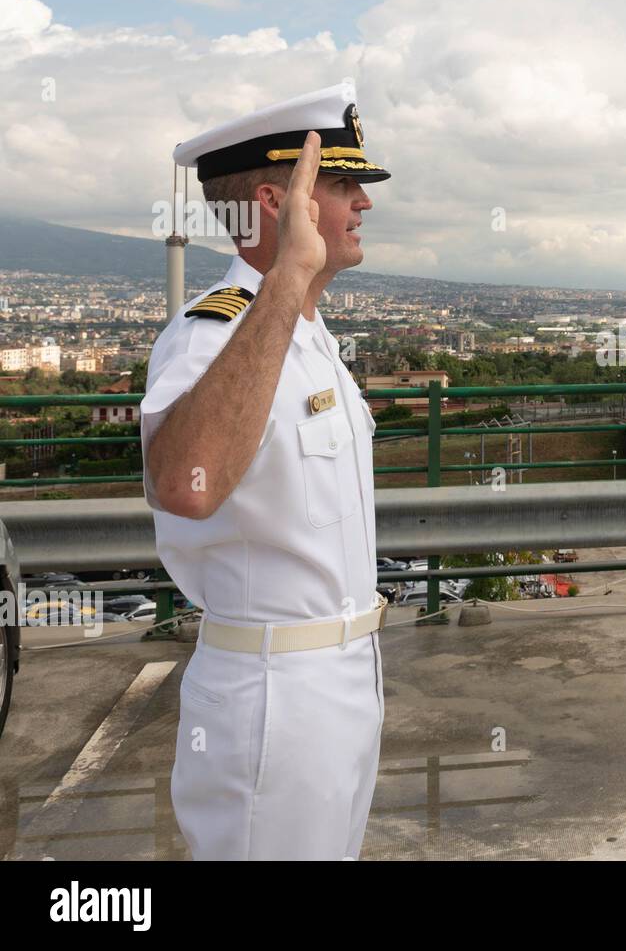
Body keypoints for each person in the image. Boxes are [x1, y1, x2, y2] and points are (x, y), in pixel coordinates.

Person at [140, 83, 390, 860]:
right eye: (344, 185)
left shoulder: (307, 334)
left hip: (346, 677)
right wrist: (285, 282)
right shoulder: (215, 331)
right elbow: (185, 483)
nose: (362, 204)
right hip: (276, 695)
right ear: (281, 204)